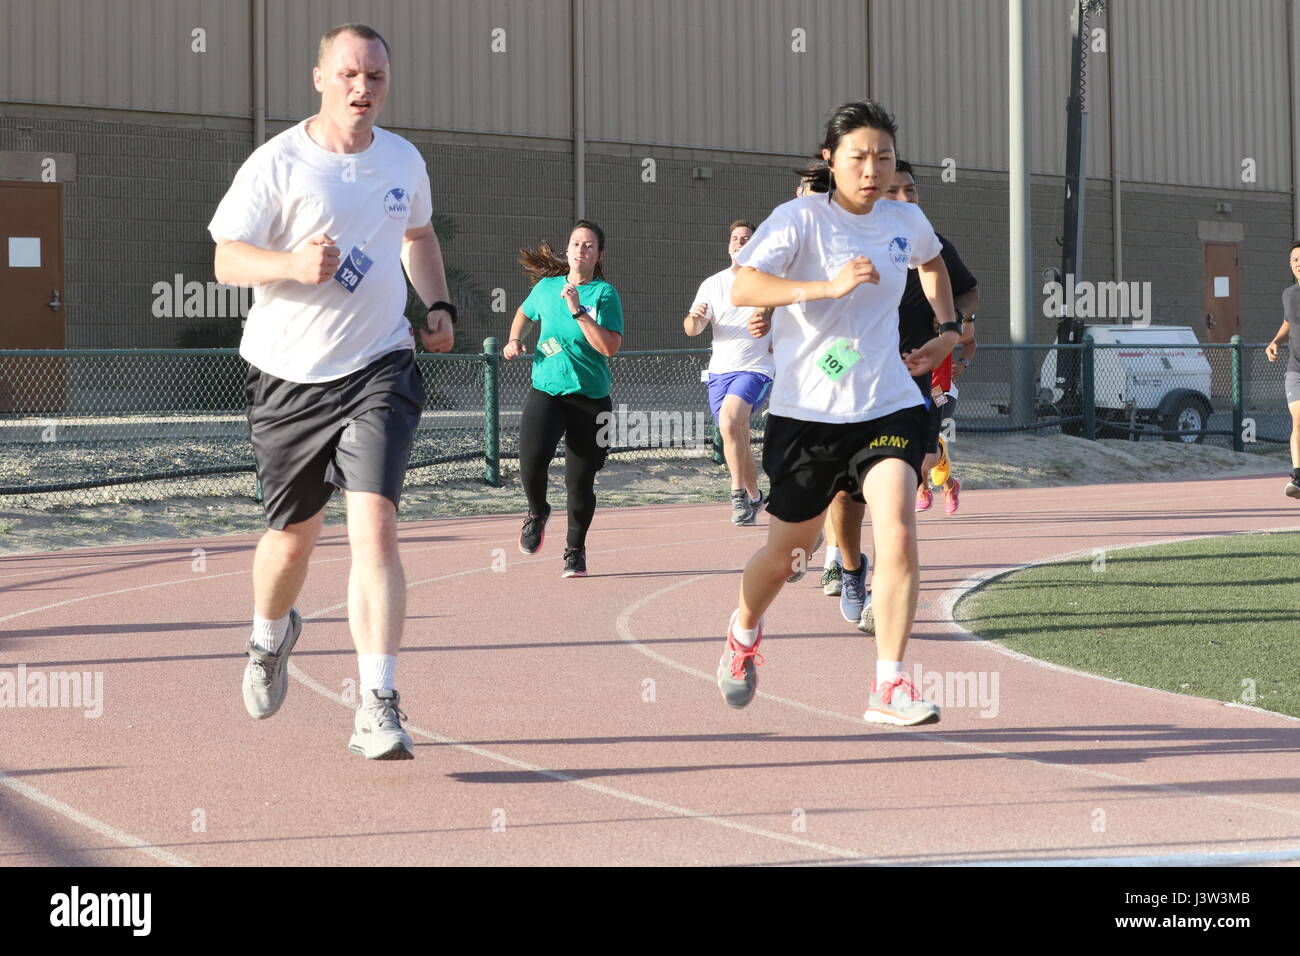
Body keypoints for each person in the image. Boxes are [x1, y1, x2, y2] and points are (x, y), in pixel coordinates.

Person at [210, 23, 454, 760]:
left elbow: (419, 236)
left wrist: (437, 306)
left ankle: (378, 704)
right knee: (292, 541)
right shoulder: (278, 163)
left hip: (379, 364)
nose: (363, 89)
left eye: (376, 77)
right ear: (319, 77)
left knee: (374, 526)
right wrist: (288, 263)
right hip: (288, 376)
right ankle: (269, 632)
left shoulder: (403, 160)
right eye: (349, 74)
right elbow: (225, 260)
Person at [716, 101, 960, 726]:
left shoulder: (905, 217)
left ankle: (889, 684)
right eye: (859, 157)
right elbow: (744, 286)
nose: (873, 170)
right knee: (785, 558)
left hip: (887, 403)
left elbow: (931, 262)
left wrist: (948, 329)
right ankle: (743, 632)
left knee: (899, 527)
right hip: (809, 416)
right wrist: (824, 288)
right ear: (831, 160)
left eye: (883, 157)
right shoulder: (799, 219)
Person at [505, 221, 624, 576]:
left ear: (599, 255)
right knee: (530, 457)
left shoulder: (604, 294)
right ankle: (537, 510)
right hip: (547, 390)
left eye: (589, 246)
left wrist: (578, 310)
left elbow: (609, 347)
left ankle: (574, 549)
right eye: (576, 244)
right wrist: (514, 339)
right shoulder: (546, 287)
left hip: (591, 400)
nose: (581, 250)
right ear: (568, 250)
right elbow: (525, 314)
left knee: (579, 481)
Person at [884, 160, 979, 517]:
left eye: (910, 189)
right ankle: (840, 555)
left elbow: (969, 291)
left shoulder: (935, 246)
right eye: (893, 191)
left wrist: (957, 325)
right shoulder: (851, 242)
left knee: (914, 460)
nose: (904, 198)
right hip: (860, 368)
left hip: (920, 372)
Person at [684, 220, 774, 525]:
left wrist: (774, 332)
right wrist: (695, 321)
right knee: (737, 434)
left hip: (756, 369)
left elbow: (788, 320)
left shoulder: (770, 281)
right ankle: (755, 497)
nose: (740, 242)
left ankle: (736, 495)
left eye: (746, 238)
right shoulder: (712, 284)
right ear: (729, 245)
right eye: (735, 238)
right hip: (720, 372)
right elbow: (692, 328)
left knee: (730, 422)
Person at [1265, 240, 1300, 498]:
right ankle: (1298, 477)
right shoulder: (1288, 294)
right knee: (1298, 420)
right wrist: (1275, 341)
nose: (1298, 263)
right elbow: (1288, 321)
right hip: (1295, 368)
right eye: (1294, 260)